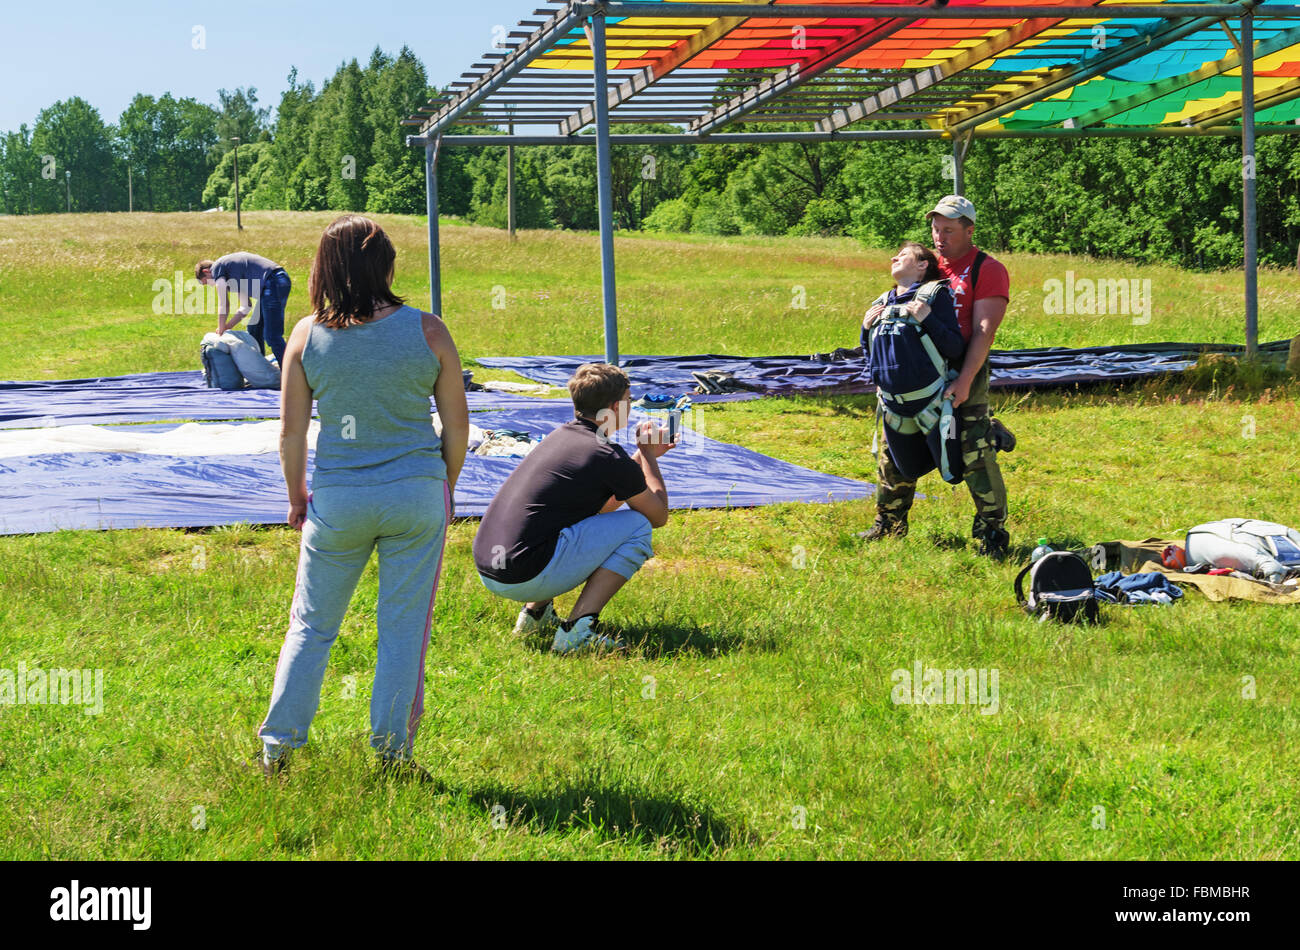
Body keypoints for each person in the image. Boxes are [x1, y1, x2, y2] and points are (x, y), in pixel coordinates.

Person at [257, 215, 469, 779]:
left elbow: (292, 433)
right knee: (403, 628)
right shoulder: (430, 331)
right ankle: (393, 752)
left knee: (311, 624)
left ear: (323, 269)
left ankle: (279, 747)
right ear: (387, 265)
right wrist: (440, 487)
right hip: (416, 497)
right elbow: (457, 428)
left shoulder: (304, 336)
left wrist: (296, 494)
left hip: (337, 498)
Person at [472, 363, 675, 654]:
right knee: (637, 526)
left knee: (574, 520)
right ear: (615, 408)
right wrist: (648, 455)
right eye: (629, 401)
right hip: (522, 575)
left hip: (492, 569)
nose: (631, 408)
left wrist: (640, 458)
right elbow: (657, 516)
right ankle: (578, 632)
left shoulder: (562, 438)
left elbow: (606, 501)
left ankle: (535, 616)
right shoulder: (606, 455)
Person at [861, 195, 1014, 559]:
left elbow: (983, 331)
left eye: (948, 229)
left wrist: (963, 381)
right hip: (916, 375)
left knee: (973, 451)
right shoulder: (927, 265)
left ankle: (991, 532)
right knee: (894, 447)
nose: (939, 236)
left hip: (963, 370)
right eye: (935, 228)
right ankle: (890, 522)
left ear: (969, 230)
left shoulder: (986, 269)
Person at [859, 242, 965, 490]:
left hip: (934, 405)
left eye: (903, 255)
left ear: (922, 265)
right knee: (910, 470)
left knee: (953, 473)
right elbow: (869, 354)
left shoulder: (934, 295)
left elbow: (955, 348)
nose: (894, 257)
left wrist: (928, 319)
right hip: (893, 408)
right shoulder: (880, 303)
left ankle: (983, 431)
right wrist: (865, 330)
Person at [196, 251, 293, 367]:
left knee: (272, 335)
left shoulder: (217, 268)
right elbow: (245, 306)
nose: (211, 285)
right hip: (274, 282)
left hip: (274, 280)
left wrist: (221, 329)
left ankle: (290, 373)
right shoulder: (232, 274)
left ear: (206, 272)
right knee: (254, 328)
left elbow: (224, 305)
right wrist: (227, 327)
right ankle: (261, 368)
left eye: (207, 282)